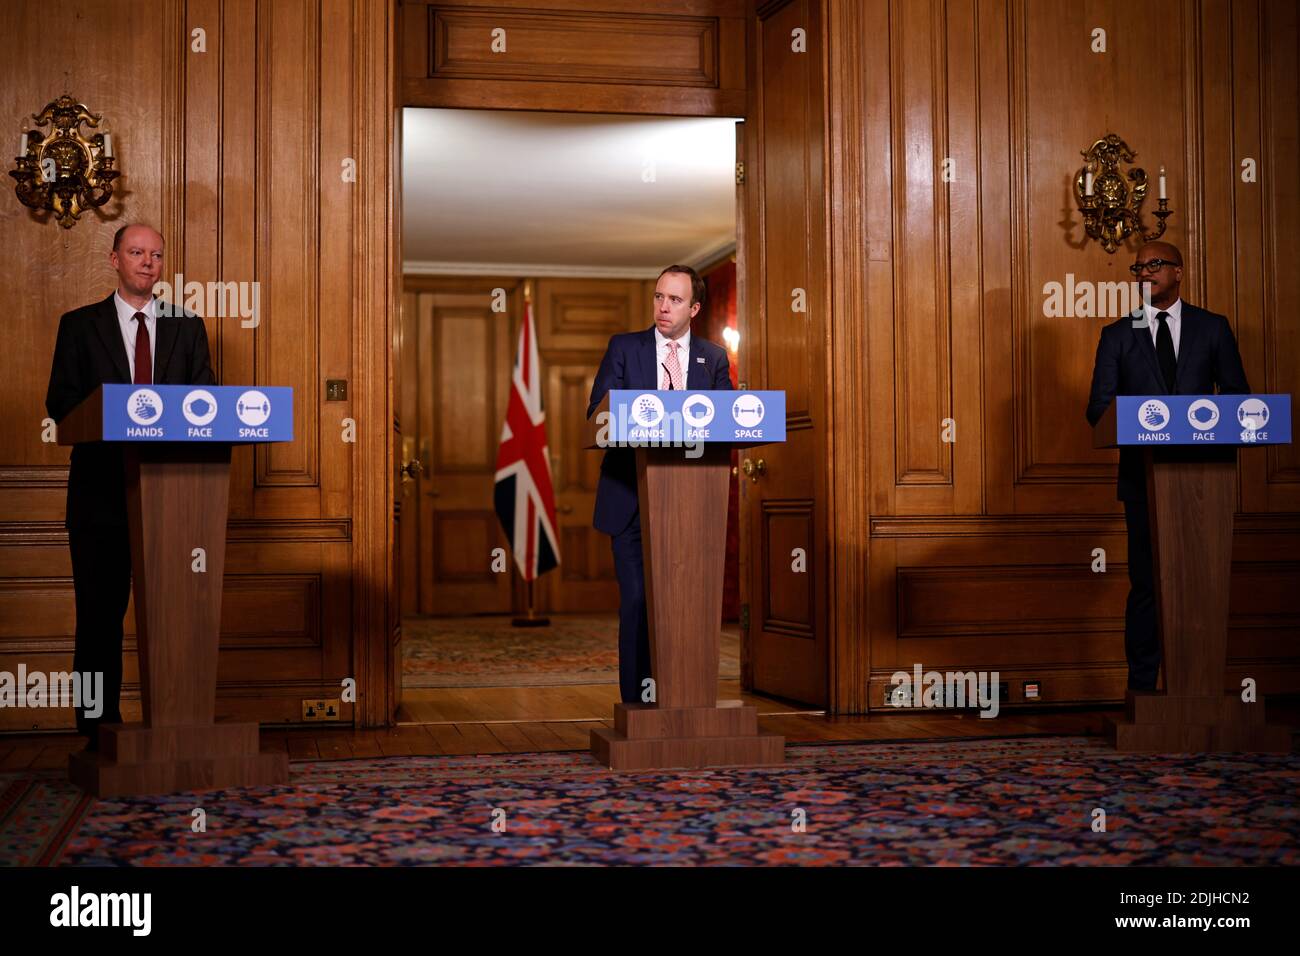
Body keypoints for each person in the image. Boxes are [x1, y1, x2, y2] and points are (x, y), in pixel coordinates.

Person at [45, 223, 217, 749]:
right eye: (137, 253)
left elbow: (206, 401)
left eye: (157, 255)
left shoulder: (187, 326)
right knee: (99, 619)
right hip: (100, 498)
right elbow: (61, 404)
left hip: (174, 496)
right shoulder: (79, 326)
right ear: (114, 258)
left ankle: (178, 729)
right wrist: (114, 416)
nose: (148, 263)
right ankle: (98, 731)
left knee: (176, 618)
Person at [1084, 241, 1250, 691]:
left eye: (1154, 265)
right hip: (1143, 483)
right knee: (1148, 587)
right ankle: (1142, 692)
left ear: (1179, 271)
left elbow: (1238, 398)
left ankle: (1200, 690)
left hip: (1204, 484)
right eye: (1138, 268)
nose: (1144, 273)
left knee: (1202, 588)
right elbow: (1099, 409)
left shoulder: (1212, 328)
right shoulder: (1118, 334)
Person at [586, 265, 733, 703]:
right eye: (658, 297)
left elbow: (725, 420)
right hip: (632, 500)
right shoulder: (624, 348)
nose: (663, 307)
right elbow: (599, 416)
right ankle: (640, 704)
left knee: (688, 608)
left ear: (695, 307)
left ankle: (688, 699)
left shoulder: (714, 357)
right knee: (638, 602)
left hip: (692, 505)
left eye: (674, 300)